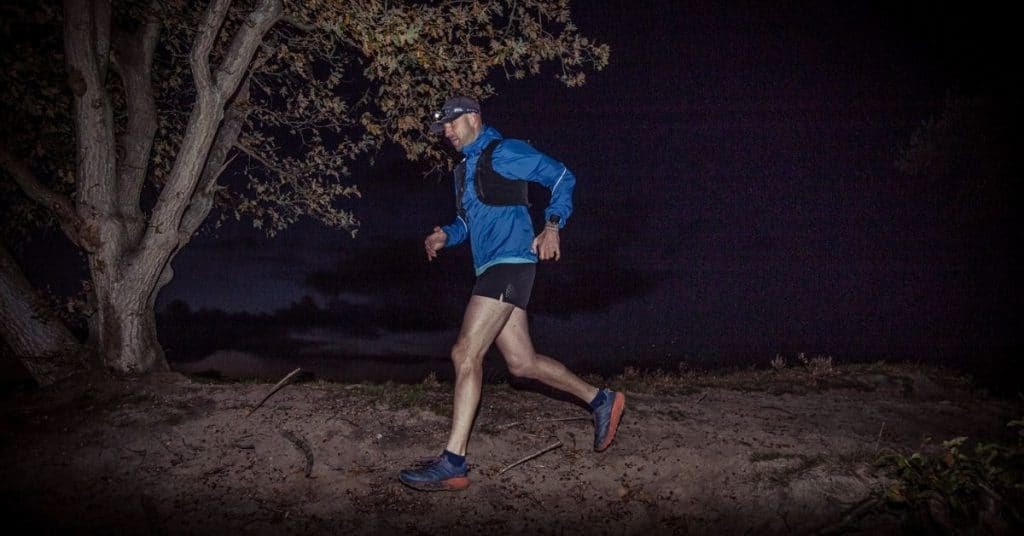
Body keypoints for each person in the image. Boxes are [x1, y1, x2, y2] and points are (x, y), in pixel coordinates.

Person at [398, 96, 626, 491]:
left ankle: (454, 461)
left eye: (451, 125)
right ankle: (601, 399)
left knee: (465, 352)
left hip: (512, 262)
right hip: (490, 268)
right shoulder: (463, 172)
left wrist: (553, 225)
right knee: (522, 364)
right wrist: (445, 235)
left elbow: (560, 177)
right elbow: (467, 222)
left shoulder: (504, 151)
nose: (446, 134)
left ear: (472, 117)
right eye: (442, 130)